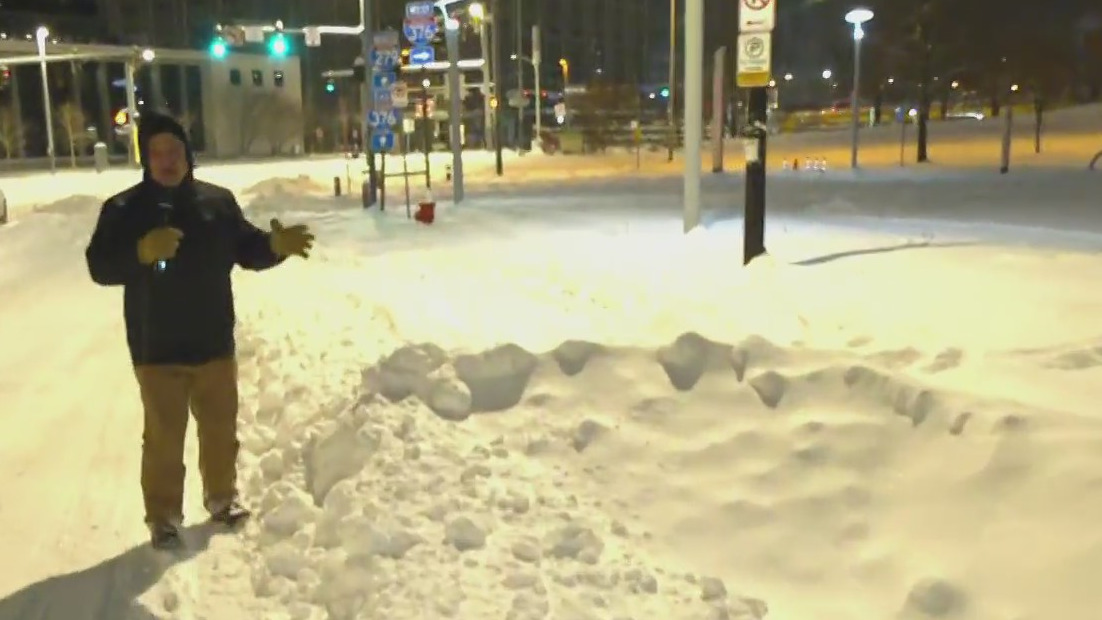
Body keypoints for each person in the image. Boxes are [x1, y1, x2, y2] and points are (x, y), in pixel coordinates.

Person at [84, 111, 315, 550]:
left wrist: (273, 246)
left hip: (213, 342)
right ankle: (163, 517)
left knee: (220, 431)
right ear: (145, 158)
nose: (166, 160)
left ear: (187, 154)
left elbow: (247, 248)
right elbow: (100, 265)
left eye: (173, 150)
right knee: (163, 439)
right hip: (156, 347)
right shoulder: (123, 209)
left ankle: (222, 498)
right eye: (156, 152)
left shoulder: (217, 203)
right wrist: (139, 252)